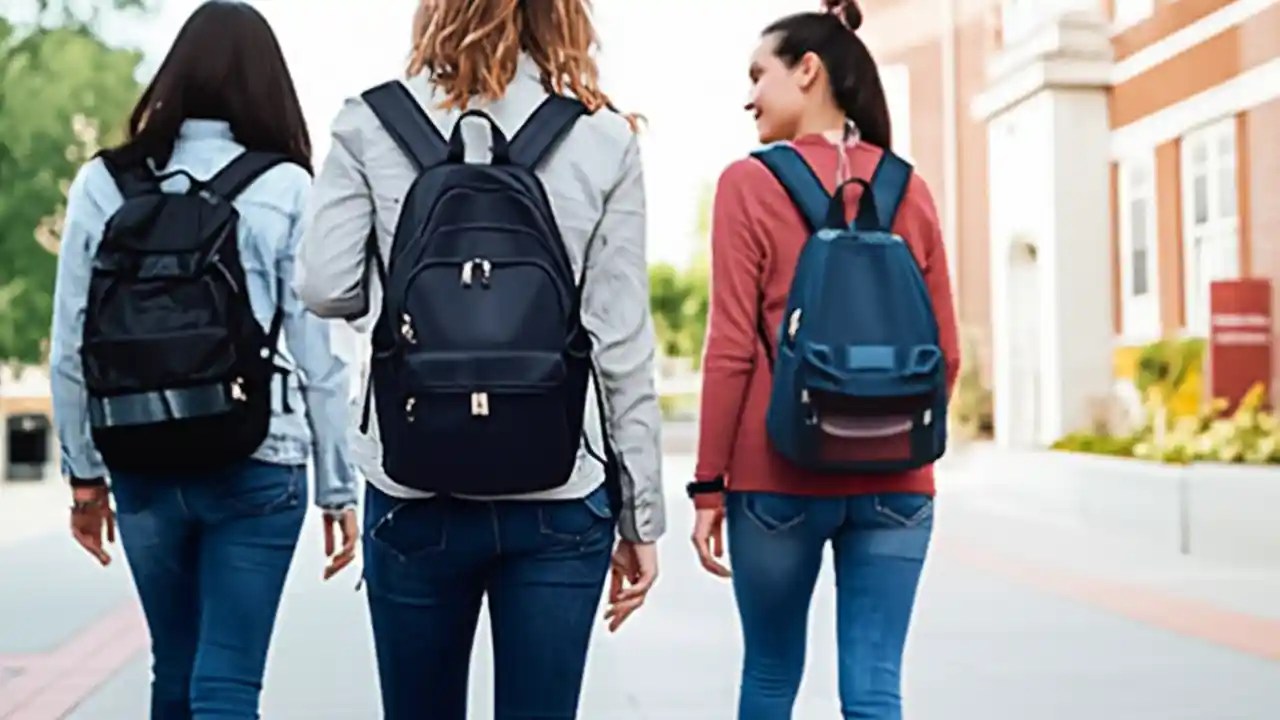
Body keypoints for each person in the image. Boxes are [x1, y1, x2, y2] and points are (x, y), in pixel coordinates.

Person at [294, 0, 664, 718]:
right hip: (560, 490)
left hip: (413, 485)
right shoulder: (601, 136)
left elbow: (323, 285)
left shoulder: (371, 121)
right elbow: (622, 344)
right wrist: (640, 518)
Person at [49, 2, 360, 717]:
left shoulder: (105, 182)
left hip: (139, 454)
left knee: (177, 668)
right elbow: (320, 357)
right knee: (227, 679)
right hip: (258, 455)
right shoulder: (284, 186)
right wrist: (337, 489)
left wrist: (85, 478)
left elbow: (70, 344)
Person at [688, 2, 960, 718]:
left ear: (807, 70)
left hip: (776, 475)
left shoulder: (747, 185)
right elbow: (948, 353)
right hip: (899, 483)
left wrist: (708, 486)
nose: (748, 96)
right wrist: (894, 437)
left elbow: (730, 351)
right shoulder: (911, 188)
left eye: (758, 74)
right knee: (875, 690)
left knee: (772, 678)